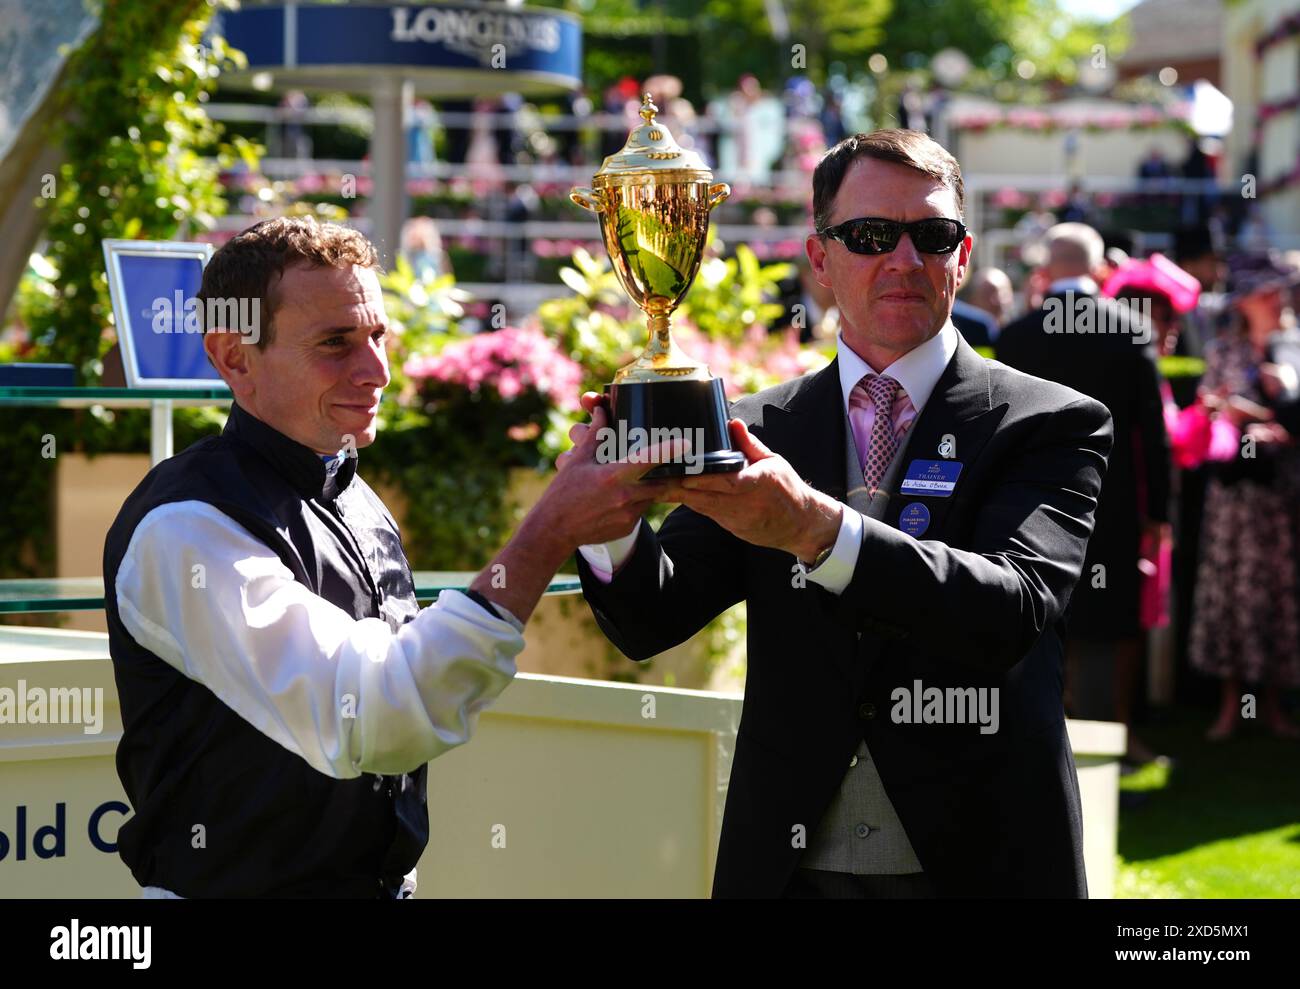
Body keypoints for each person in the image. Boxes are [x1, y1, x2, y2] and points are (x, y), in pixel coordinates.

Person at [572, 130, 1114, 898]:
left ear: (962, 256)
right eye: (868, 235)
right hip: (792, 868)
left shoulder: (1049, 421)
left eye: (931, 236)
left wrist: (816, 532)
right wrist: (609, 519)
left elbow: (1011, 609)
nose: (903, 260)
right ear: (819, 260)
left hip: (981, 864)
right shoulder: (763, 429)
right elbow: (652, 616)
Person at [103, 216, 669, 897]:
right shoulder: (185, 525)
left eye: (378, 336)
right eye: (336, 344)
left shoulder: (359, 499)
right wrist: (546, 532)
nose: (377, 371)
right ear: (234, 358)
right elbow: (376, 714)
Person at [996, 224, 1171, 764]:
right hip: (1109, 504)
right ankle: (1115, 739)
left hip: (1025, 504)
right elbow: (1152, 431)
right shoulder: (1128, 329)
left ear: (1046, 271)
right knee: (1112, 621)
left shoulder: (1018, 334)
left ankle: (1047, 736)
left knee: (1035, 613)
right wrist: (1159, 511)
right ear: (1100, 272)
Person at [1189, 253, 1300, 740]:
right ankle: (1232, 707)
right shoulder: (1224, 350)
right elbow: (1207, 410)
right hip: (1235, 494)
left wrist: (1276, 426)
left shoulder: (1294, 349)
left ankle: (1272, 707)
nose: (1279, 300)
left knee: (1277, 597)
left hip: (1282, 494)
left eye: (1280, 292)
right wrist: (1232, 414)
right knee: (1232, 594)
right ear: (1248, 301)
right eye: (1269, 293)